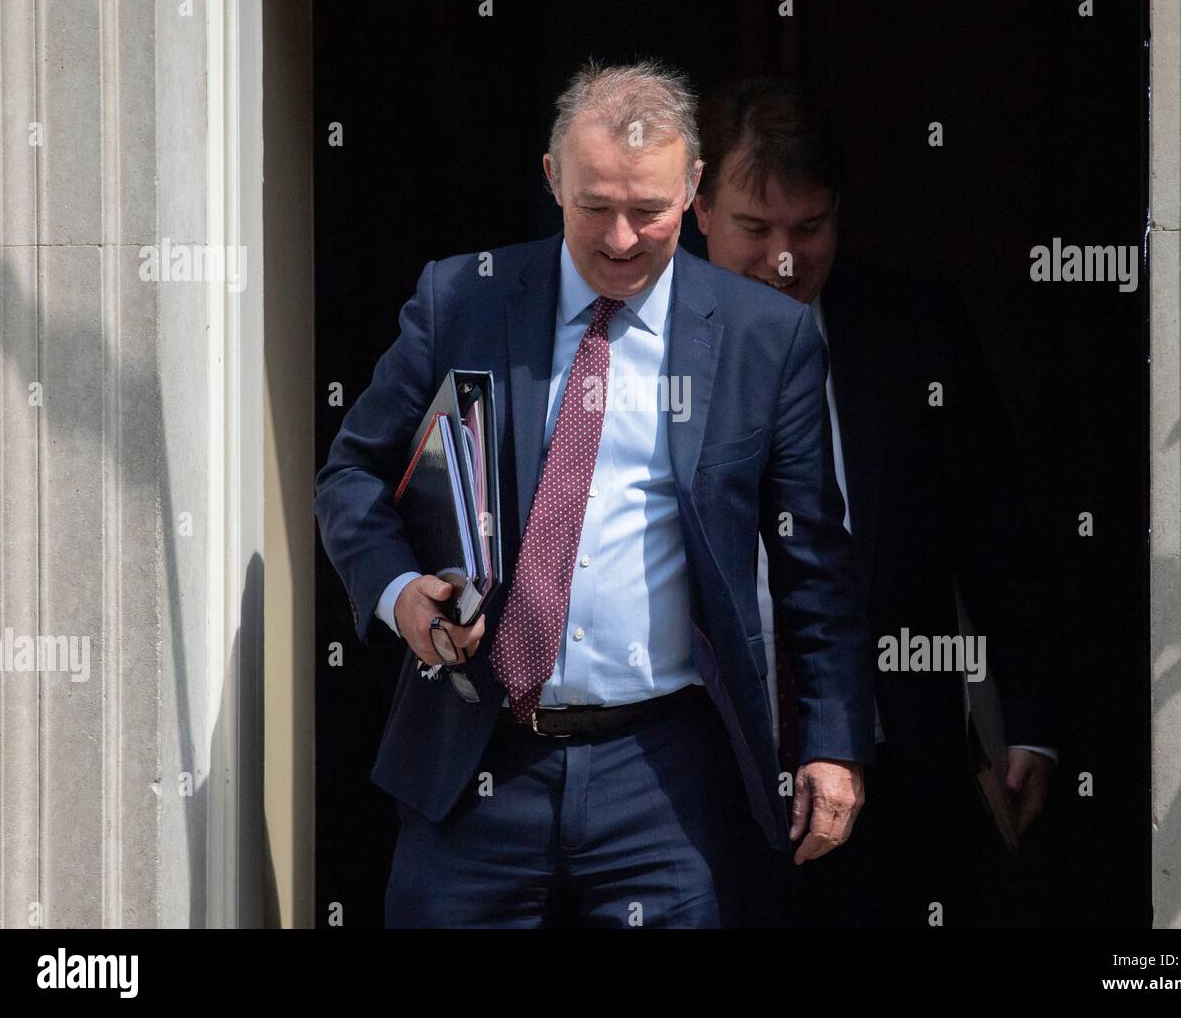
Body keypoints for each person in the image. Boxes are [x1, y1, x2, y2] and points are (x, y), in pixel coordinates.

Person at [313, 61, 875, 928]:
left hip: (668, 776)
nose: (620, 239)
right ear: (551, 179)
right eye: (594, 207)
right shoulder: (462, 298)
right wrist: (397, 595)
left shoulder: (768, 338)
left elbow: (815, 566)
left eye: (648, 211)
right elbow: (352, 475)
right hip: (476, 760)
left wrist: (833, 744)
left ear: (692, 188)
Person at [695, 75, 1058, 927]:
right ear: (697, 208)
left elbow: (995, 533)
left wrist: (1030, 722)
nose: (785, 259)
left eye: (810, 228)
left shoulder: (916, 330)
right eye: (755, 228)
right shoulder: (634, 345)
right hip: (703, 781)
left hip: (898, 773)